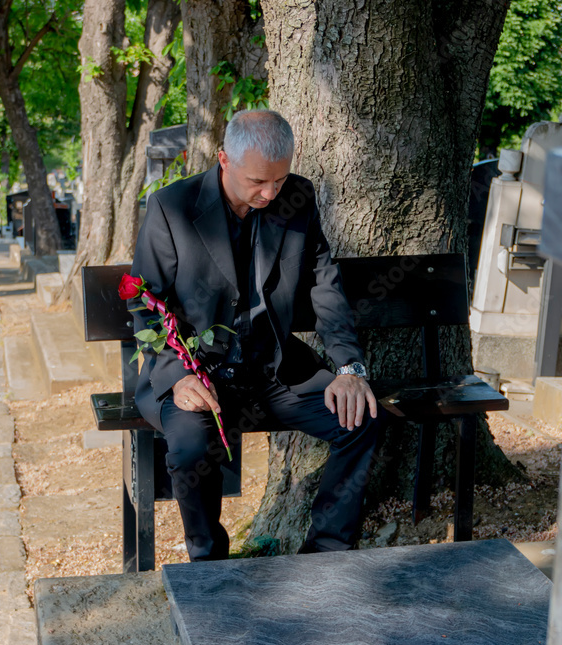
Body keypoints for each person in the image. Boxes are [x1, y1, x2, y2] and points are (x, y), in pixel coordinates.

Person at [129, 109, 385, 561]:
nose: (270, 194)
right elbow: (145, 303)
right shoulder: (173, 208)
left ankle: (325, 554)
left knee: (361, 417)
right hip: (197, 374)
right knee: (189, 450)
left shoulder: (298, 198)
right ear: (224, 160)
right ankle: (209, 566)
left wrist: (348, 366)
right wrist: (176, 376)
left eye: (279, 181)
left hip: (274, 370)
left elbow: (325, 286)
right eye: (257, 182)